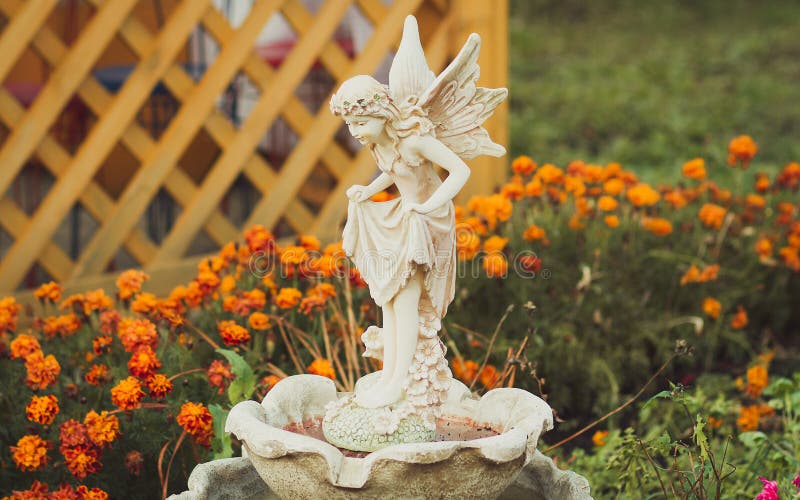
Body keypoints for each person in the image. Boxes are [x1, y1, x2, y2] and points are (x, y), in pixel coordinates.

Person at [329, 15, 506, 411]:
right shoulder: (382, 145)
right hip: (405, 215)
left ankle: (399, 381)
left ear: (381, 114)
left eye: (360, 122)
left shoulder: (416, 140)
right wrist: (368, 190)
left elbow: (460, 170)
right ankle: (392, 373)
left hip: (426, 221)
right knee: (389, 297)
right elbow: (391, 175)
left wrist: (428, 206)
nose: (355, 131)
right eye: (350, 124)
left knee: (406, 297)